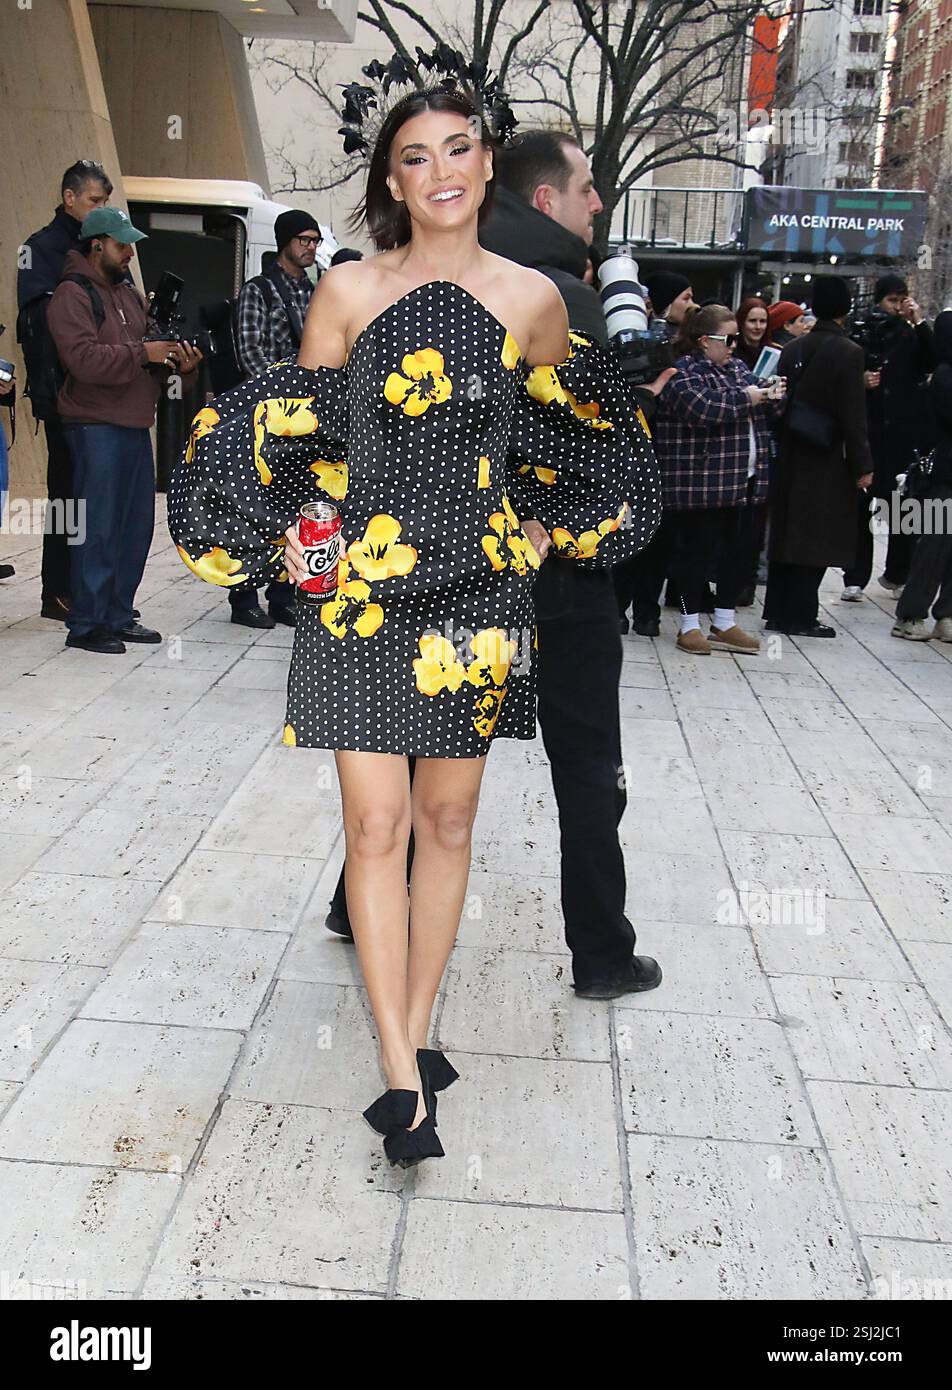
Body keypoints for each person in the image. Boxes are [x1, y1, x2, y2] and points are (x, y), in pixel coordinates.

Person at [169, 88, 659, 1167]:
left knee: (444, 828)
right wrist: (298, 538)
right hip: (360, 592)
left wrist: (537, 534)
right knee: (375, 832)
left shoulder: (537, 300)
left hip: (475, 602)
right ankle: (402, 1075)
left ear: (484, 166)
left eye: (457, 148)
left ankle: (416, 1027)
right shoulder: (344, 291)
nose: (439, 169)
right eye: (414, 156)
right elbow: (299, 444)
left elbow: (583, 445)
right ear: (391, 181)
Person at [47, 207, 202, 654]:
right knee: (97, 528)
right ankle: (87, 624)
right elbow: (83, 360)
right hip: (94, 426)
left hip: (134, 425)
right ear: (97, 244)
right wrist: (143, 353)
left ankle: (117, 613)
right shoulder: (71, 295)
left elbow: (148, 361)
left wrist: (179, 366)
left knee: (134, 528)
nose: (130, 253)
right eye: (121, 244)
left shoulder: (129, 295)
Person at [16, 160, 112, 621]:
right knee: (65, 496)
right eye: (95, 201)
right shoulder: (40, 248)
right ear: (69, 197)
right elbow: (38, 322)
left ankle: (87, 586)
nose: (100, 210)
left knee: (96, 496)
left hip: (103, 392)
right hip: (62, 392)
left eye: (105, 203)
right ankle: (56, 588)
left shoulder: (100, 247)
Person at [653, 304, 778, 655]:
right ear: (706, 341)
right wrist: (749, 397)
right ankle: (689, 625)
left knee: (739, 553)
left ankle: (724, 621)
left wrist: (771, 391)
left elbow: (758, 392)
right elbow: (704, 408)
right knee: (695, 555)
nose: (736, 346)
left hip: (745, 482)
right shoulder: (684, 372)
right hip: (701, 485)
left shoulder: (738, 368)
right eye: (730, 339)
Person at [228, 209, 321, 629]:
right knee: (251, 506)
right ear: (284, 241)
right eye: (304, 239)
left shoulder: (318, 290)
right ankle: (243, 596)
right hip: (264, 416)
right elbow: (250, 354)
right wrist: (285, 390)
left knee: (295, 503)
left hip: (304, 420)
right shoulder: (259, 291)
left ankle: (284, 595)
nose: (311, 247)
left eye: (315, 240)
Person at [764, 275, 872, 637]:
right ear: (845, 308)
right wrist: (863, 465)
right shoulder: (850, 353)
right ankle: (802, 614)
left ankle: (777, 611)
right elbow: (853, 416)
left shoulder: (793, 349)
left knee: (787, 532)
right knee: (818, 535)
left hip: (792, 451)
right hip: (827, 457)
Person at [842, 272, 935, 602]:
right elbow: (844, 376)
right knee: (863, 504)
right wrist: (860, 380)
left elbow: (933, 359)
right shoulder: (861, 333)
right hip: (868, 432)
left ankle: (898, 572)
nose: (897, 307)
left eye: (901, 300)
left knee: (902, 504)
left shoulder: (911, 336)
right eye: (891, 301)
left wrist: (919, 323)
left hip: (902, 434)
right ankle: (855, 576)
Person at [614, 268, 697, 636]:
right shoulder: (634, 337)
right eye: (685, 298)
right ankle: (620, 609)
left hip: (667, 458)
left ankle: (647, 611)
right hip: (636, 455)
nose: (691, 305)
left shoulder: (688, 344)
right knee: (627, 535)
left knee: (656, 542)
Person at [892, 309, 952, 642]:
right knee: (934, 547)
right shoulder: (944, 376)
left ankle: (946, 614)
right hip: (945, 476)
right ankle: (910, 615)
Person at [734, 296, 771, 372]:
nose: (758, 327)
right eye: (752, 321)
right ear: (741, 322)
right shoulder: (730, 352)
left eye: (762, 321)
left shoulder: (773, 353)